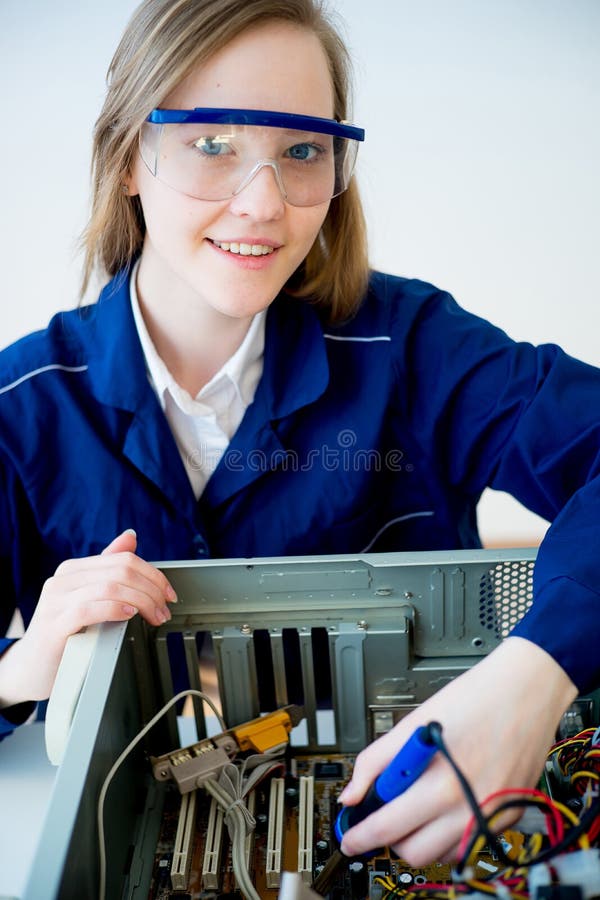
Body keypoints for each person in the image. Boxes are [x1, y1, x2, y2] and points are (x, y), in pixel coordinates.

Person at [0, 0, 598, 868]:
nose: (263, 204)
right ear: (131, 157)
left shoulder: (414, 346)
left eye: (302, 151)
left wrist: (534, 675)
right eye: (213, 145)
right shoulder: (22, 408)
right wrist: (20, 671)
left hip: (437, 828)